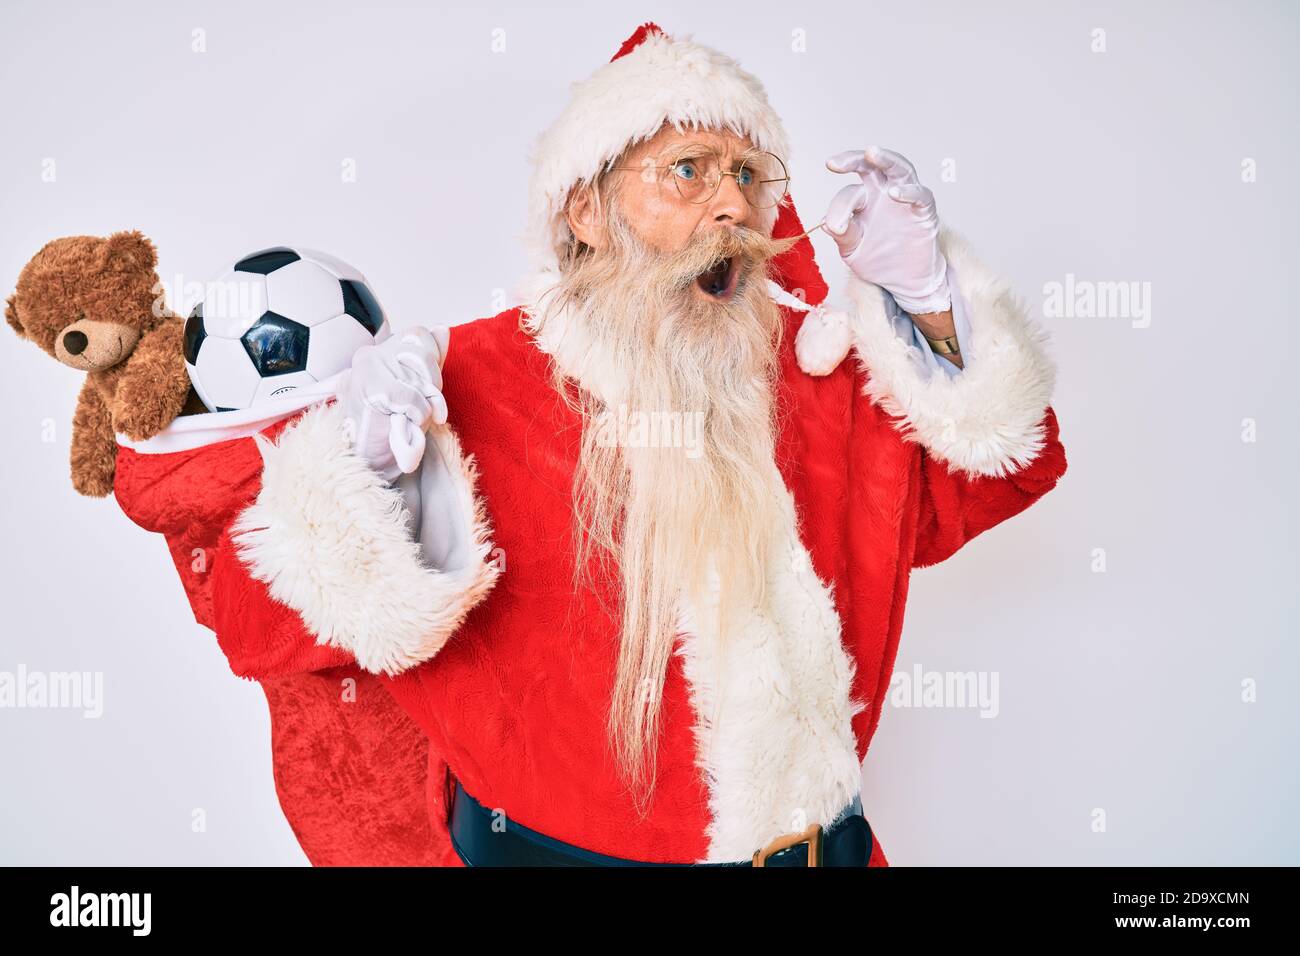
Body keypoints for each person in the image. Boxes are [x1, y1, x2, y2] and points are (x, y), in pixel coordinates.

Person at [210, 23, 1068, 866]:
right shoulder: (458, 379)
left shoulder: (815, 366)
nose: (732, 204)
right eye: (687, 171)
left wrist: (925, 302)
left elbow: (992, 476)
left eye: (744, 175)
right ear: (585, 208)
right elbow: (262, 626)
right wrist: (361, 478)